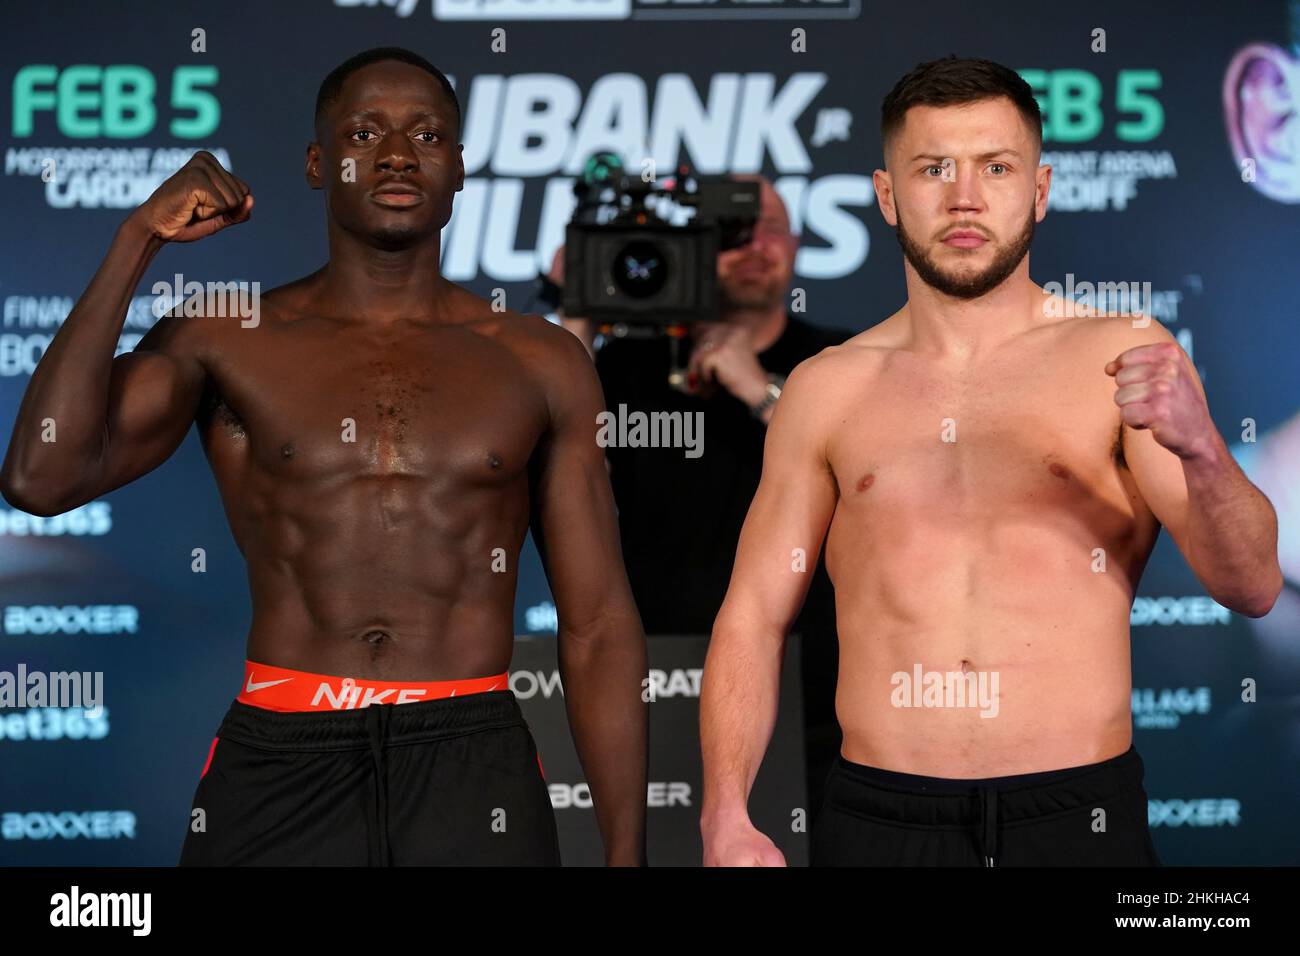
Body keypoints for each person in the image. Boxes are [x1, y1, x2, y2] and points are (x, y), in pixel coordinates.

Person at [0, 47, 648, 866]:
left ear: (458, 169)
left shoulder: (539, 360)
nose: (398, 154)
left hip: (470, 759)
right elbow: (41, 477)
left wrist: (628, 853)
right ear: (317, 163)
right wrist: (137, 239)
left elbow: (595, 624)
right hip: (282, 752)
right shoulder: (226, 336)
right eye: (365, 132)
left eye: (427, 135)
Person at [699, 56, 1283, 867]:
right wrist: (724, 810)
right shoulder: (824, 388)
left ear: (1039, 190)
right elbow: (753, 618)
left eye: (995, 167)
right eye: (933, 168)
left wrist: (1204, 450)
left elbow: (1253, 586)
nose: (963, 196)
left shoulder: (1124, 356)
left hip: (1077, 814)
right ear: (885, 194)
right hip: (881, 820)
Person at [554, 174, 851, 820]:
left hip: (814, 693)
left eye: (769, 229)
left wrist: (761, 391)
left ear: (797, 245)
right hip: (654, 681)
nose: (754, 247)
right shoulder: (626, 367)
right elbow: (552, 452)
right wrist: (577, 308)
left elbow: (869, 474)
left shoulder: (837, 362)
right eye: (729, 234)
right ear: (687, 248)